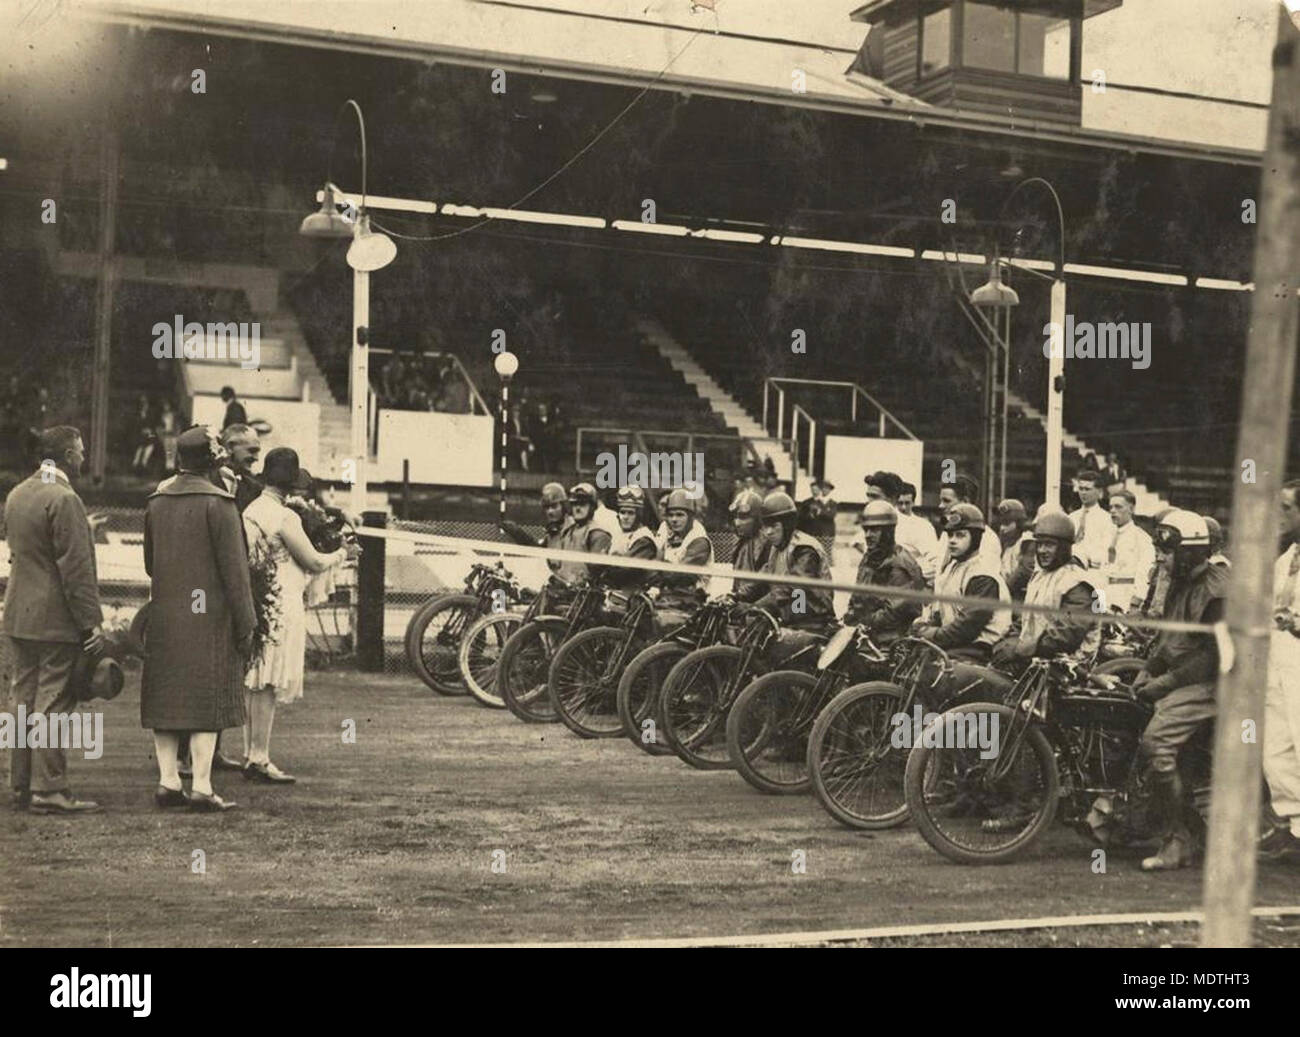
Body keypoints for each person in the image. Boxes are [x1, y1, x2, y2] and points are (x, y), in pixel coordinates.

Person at [141, 426, 256, 812]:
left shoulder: (156, 502)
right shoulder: (220, 504)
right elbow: (236, 575)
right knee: (207, 701)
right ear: (211, 461)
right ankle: (203, 786)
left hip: (167, 612)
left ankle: (168, 781)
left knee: (166, 698)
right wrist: (247, 624)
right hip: (209, 617)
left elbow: (149, 564)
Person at [4, 426, 104, 814]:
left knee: (22, 700)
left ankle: (22, 783)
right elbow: (75, 570)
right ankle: (49, 789)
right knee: (53, 702)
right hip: (55, 618)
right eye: (80, 451)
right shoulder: (65, 499)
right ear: (65, 454)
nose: (83, 457)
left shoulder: (19, 493)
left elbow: (31, 550)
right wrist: (91, 624)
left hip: (19, 613)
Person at [241, 448, 357, 783]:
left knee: (257, 678)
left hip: (260, 593)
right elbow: (314, 562)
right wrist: (341, 553)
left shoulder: (252, 509)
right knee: (269, 680)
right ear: (290, 484)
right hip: (282, 598)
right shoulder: (285, 517)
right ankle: (260, 756)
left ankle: (252, 752)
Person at [1130, 510, 1226, 871]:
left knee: (1156, 743)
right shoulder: (1179, 581)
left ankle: (1178, 838)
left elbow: (1215, 658)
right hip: (1186, 678)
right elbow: (1169, 640)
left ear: (1188, 553)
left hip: (1214, 683)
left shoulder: (1218, 591)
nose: (1160, 557)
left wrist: (1162, 683)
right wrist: (1147, 670)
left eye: (1167, 552)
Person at [914, 504, 1011, 664]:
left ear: (975, 538)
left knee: (935, 672)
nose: (952, 541)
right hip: (958, 642)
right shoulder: (954, 567)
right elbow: (945, 612)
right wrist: (925, 626)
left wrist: (929, 634)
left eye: (960, 535)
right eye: (950, 535)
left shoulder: (983, 575)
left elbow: (967, 628)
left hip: (980, 646)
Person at [1262, 481, 1300, 863]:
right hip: (1279, 663)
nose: (1280, 516)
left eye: (1286, 508)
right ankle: (1294, 827)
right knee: (1276, 751)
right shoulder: (1284, 559)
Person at [843, 500, 924, 645]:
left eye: (874, 530)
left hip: (891, 641)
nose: (868, 535)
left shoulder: (901, 564)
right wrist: (849, 618)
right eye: (866, 530)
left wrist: (859, 623)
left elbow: (892, 615)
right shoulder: (870, 557)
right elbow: (856, 597)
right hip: (867, 634)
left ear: (888, 531)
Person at [861, 471, 939, 584]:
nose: (869, 502)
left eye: (875, 497)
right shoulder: (870, 525)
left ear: (892, 499)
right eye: (868, 496)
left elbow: (936, 563)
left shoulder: (918, 526)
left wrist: (907, 579)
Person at [653, 488, 714, 610]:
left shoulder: (699, 540)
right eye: (671, 515)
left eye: (680, 515)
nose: (674, 520)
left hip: (691, 603)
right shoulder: (669, 532)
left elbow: (680, 576)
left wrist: (656, 563)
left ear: (690, 516)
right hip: (667, 597)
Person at [1101, 489, 1155, 614]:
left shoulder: (1142, 538)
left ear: (1131, 509)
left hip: (1125, 597)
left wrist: (1135, 602)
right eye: (1111, 507)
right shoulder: (1106, 536)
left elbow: (1144, 574)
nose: (1113, 511)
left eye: (1118, 507)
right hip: (1103, 595)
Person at [937, 473, 1001, 572]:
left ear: (965, 502)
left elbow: (985, 581)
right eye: (941, 501)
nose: (940, 506)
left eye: (946, 501)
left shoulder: (986, 538)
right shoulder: (948, 534)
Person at [604, 485, 658, 589]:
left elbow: (626, 570)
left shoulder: (644, 538)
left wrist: (606, 566)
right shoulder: (617, 533)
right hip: (615, 590)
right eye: (622, 512)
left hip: (634, 592)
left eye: (630, 513)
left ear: (638, 515)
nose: (625, 517)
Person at [557, 483, 613, 584]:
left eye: (582, 504)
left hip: (584, 594)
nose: (578, 508)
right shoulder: (567, 532)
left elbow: (596, 572)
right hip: (562, 589)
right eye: (575, 504)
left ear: (592, 506)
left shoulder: (597, 534)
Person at [727, 489, 770, 602]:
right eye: (736, 517)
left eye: (743, 517)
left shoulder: (767, 542)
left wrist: (737, 596)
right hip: (741, 601)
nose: (737, 523)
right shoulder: (740, 541)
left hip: (759, 605)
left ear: (757, 518)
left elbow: (763, 579)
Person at [993, 498, 1035, 601]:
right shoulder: (1007, 544)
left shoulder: (1027, 542)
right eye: (1001, 523)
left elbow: (1023, 573)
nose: (1002, 528)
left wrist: (1000, 592)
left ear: (1019, 524)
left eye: (1007, 523)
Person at [1068, 469, 1110, 573]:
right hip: (1069, 570)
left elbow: (1105, 552)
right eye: (1081, 489)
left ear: (1099, 492)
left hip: (1093, 571)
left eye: (1087, 489)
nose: (1083, 493)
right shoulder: (1071, 517)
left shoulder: (1106, 520)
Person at [217, 423, 263, 513]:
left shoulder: (255, 489)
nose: (256, 458)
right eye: (252, 451)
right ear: (230, 447)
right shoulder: (206, 481)